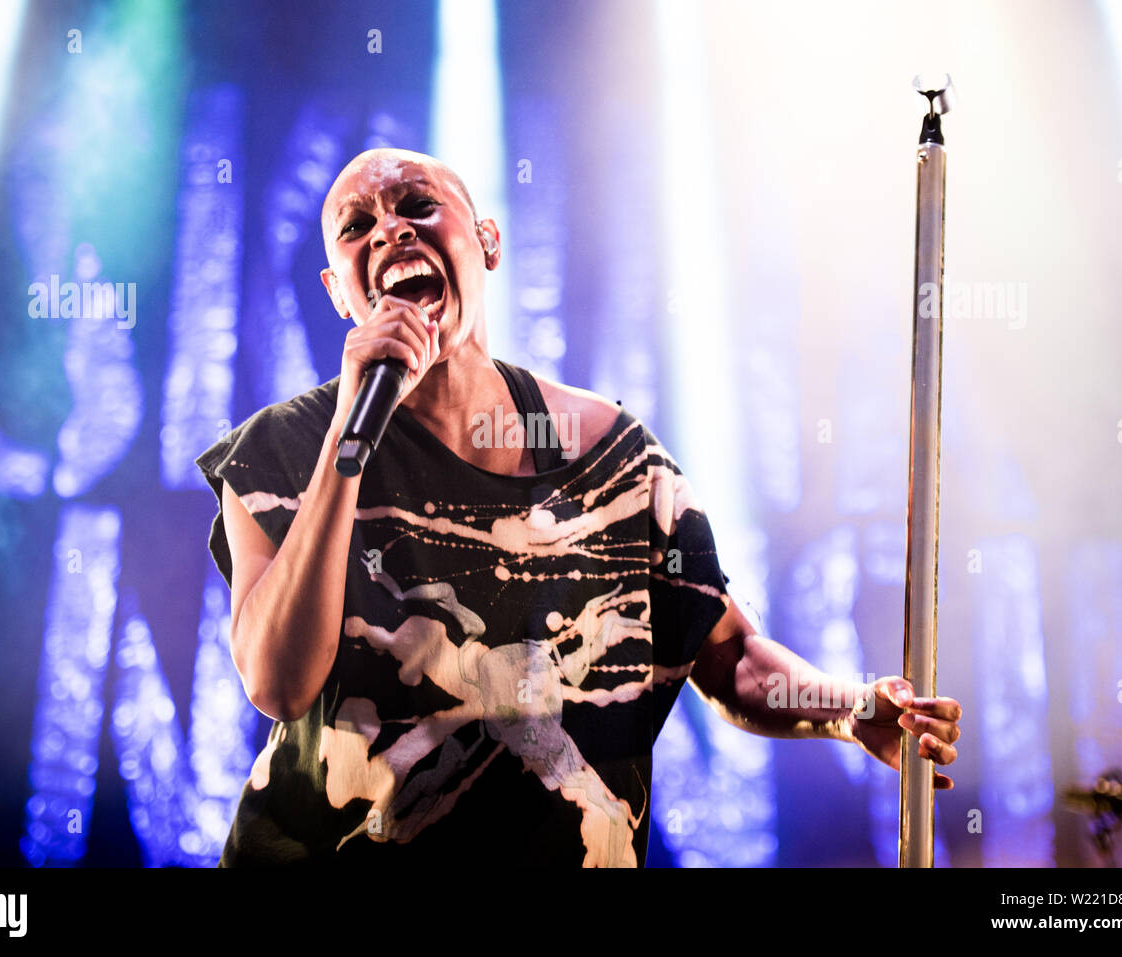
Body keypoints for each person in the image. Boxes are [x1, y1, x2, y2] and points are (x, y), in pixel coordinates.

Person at [195, 147, 962, 867]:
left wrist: (851, 706)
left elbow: (727, 655)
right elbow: (277, 682)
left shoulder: (612, 455)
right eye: (356, 226)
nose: (390, 228)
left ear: (487, 242)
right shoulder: (284, 450)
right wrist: (348, 439)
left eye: (418, 206)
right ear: (337, 290)